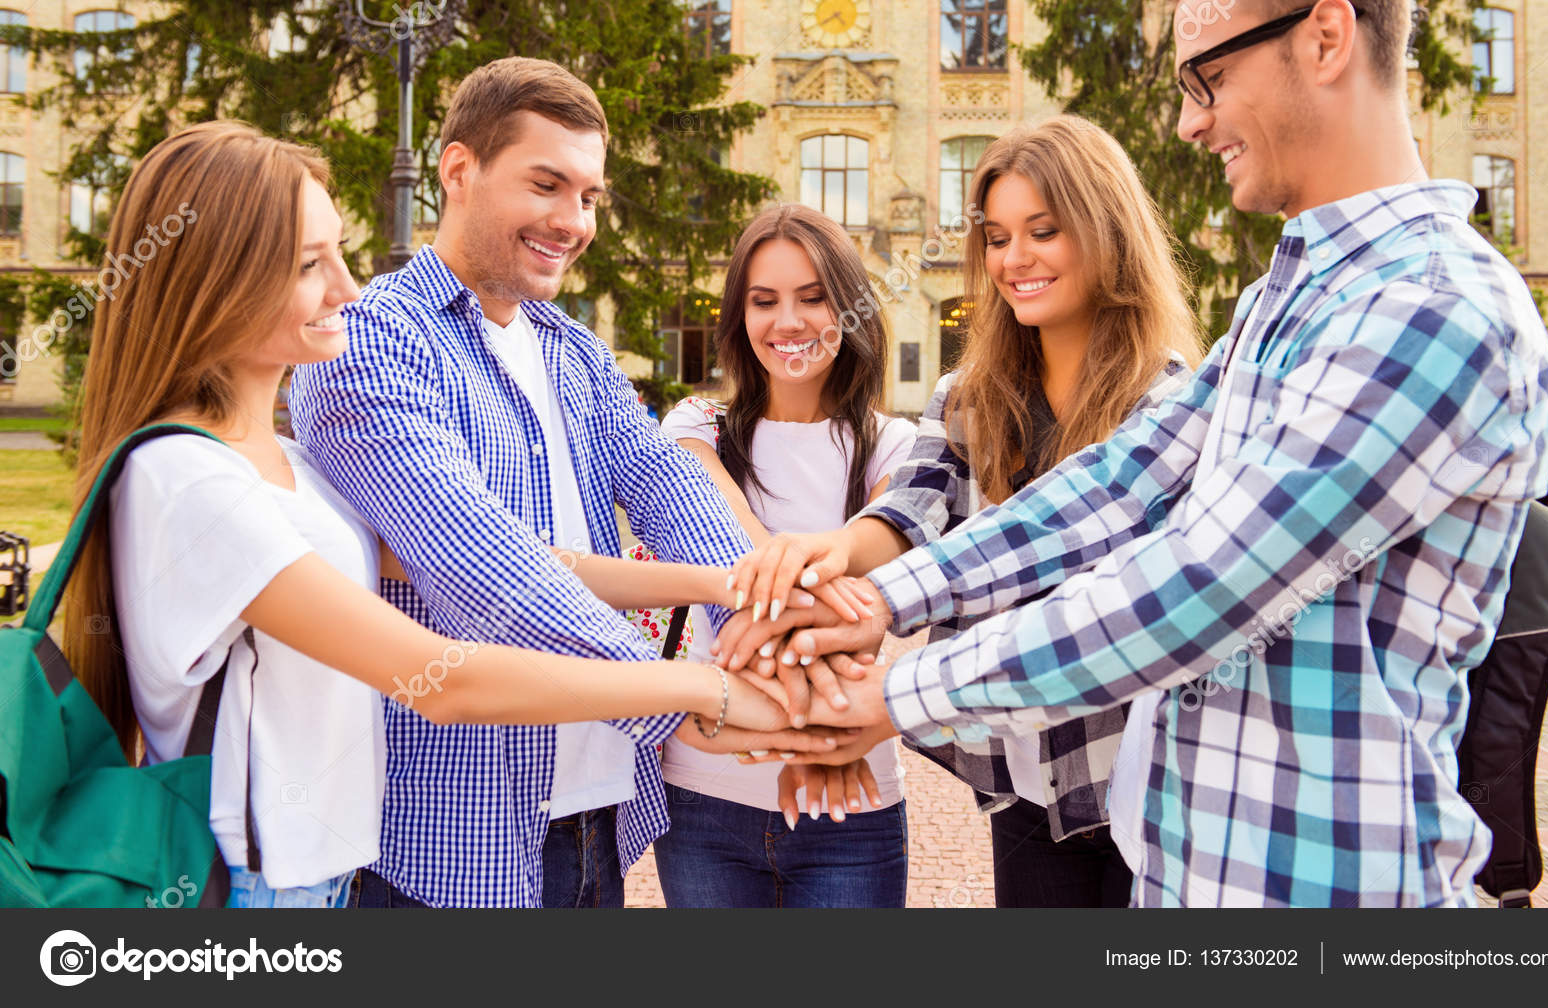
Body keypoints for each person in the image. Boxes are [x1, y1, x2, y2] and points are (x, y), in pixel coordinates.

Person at [723, 0, 1548, 908]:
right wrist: (881, 599)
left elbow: (1204, 581)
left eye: (1207, 77)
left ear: (1326, 37)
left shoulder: (1431, 308)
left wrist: (895, 692)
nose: (1188, 119)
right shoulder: (1281, 299)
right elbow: (1114, 487)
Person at [59, 121, 836, 910]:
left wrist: (742, 592)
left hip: (348, 870)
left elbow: (520, 556)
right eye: (307, 264)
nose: (347, 290)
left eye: (338, 255)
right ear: (213, 281)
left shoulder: (285, 468)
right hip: (265, 882)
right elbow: (446, 673)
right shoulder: (194, 478)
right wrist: (698, 692)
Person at [288, 57, 851, 908]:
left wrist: (763, 626)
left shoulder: (573, 348)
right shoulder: (374, 344)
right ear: (458, 170)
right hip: (450, 837)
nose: (573, 220)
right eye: (546, 185)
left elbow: (673, 490)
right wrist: (704, 698)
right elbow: (491, 577)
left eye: (590, 196)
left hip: (596, 817)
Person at [723, 117, 1203, 906]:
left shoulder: (1167, 400)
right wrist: (824, 560)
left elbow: (1091, 552)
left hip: (1145, 774)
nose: (1015, 260)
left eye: (1042, 232)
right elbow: (913, 510)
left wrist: (872, 673)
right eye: (998, 237)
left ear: (1106, 231)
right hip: (1022, 773)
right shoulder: (969, 397)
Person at [650, 205, 917, 908]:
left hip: (850, 792)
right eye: (763, 302)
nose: (787, 322)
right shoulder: (695, 426)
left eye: (813, 297)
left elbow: (869, 596)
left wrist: (822, 737)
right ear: (739, 317)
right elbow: (746, 561)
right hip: (706, 792)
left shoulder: (895, 446)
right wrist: (823, 597)